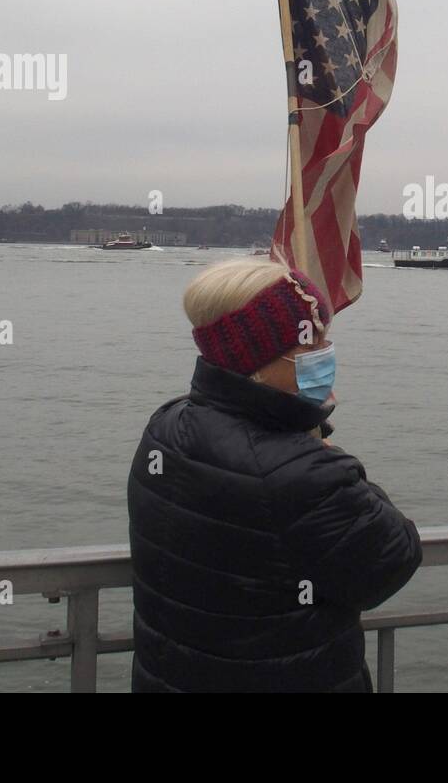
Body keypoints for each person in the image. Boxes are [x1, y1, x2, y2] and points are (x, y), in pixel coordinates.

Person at [127, 256, 423, 692]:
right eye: (310, 340)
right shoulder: (305, 475)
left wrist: (298, 426)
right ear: (259, 360)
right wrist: (320, 448)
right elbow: (392, 558)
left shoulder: (164, 427)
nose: (324, 349)